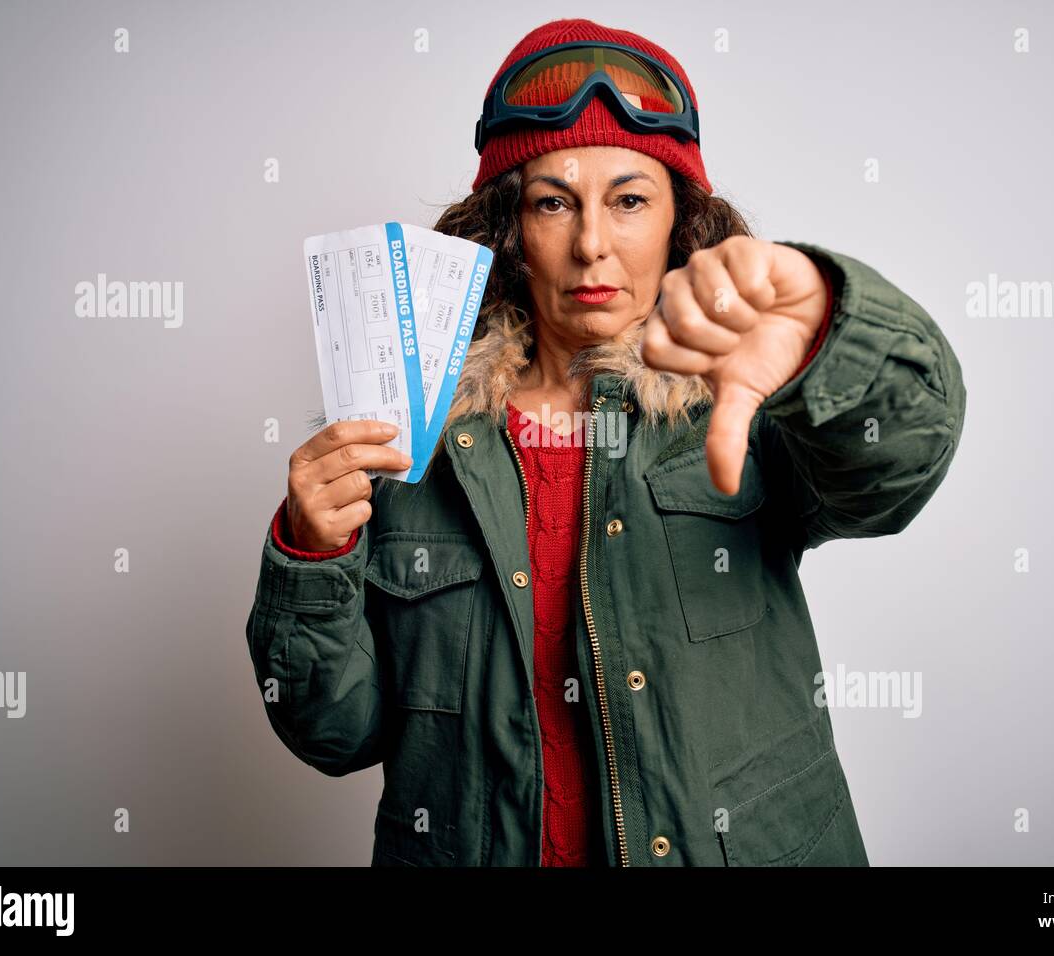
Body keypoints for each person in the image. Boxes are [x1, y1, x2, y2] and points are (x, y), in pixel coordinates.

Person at [245, 17, 966, 867]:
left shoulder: (740, 398)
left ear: (678, 222)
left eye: (629, 200)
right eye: (555, 202)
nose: (592, 244)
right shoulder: (413, 430)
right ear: (513, 228)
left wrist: (825, 335)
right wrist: (310, 557)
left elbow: (901, 464)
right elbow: (338, 732)